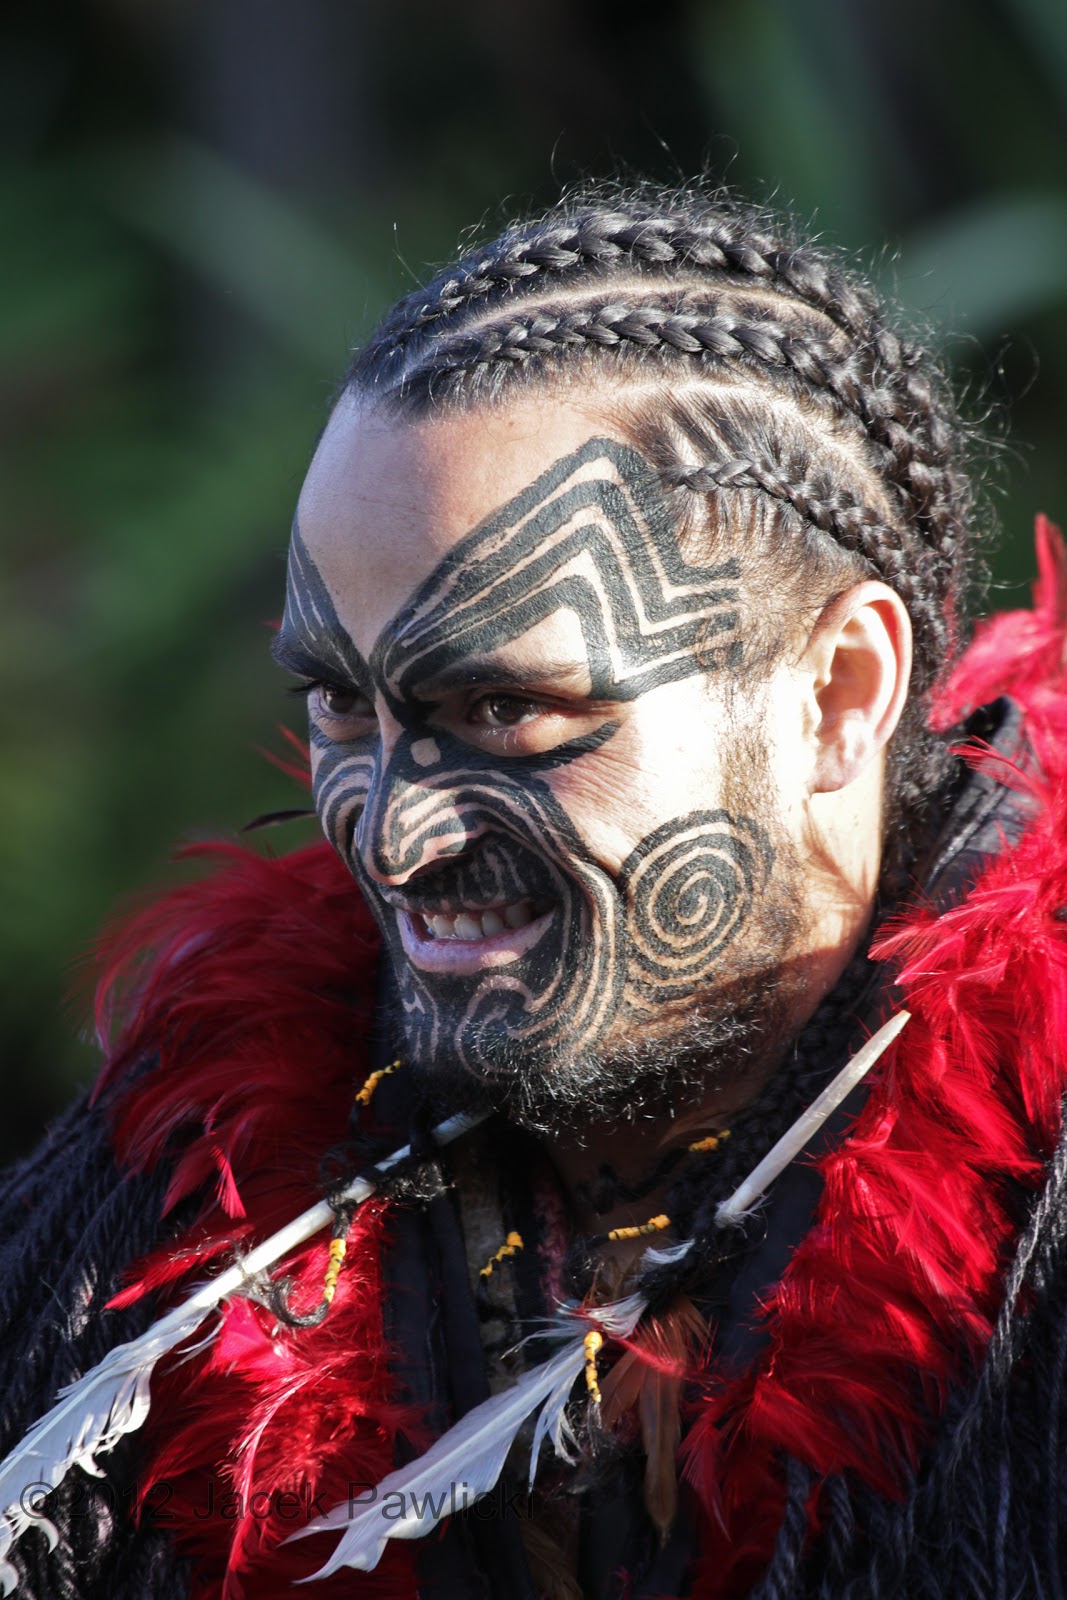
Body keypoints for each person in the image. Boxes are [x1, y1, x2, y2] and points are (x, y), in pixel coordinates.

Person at [2, 180, 1067, 1600]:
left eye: (509, 709)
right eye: (337, 705)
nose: (389, 837)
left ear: (836, 693)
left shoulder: (1032, 1247)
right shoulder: (172, 1186)